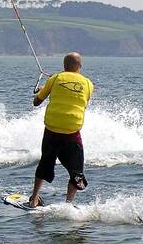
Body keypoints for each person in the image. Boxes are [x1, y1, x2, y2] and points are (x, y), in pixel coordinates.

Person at [27, 52, 94, 208]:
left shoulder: (55, 78)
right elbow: (81, 103)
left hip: (52, 130)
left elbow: (36, 102)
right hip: (72, 132)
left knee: (45, 164)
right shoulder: (88, 84)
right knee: (77, 172)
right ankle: (68, 204)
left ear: (64, 66)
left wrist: (44, 89)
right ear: (80, 67)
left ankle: (34, 199)